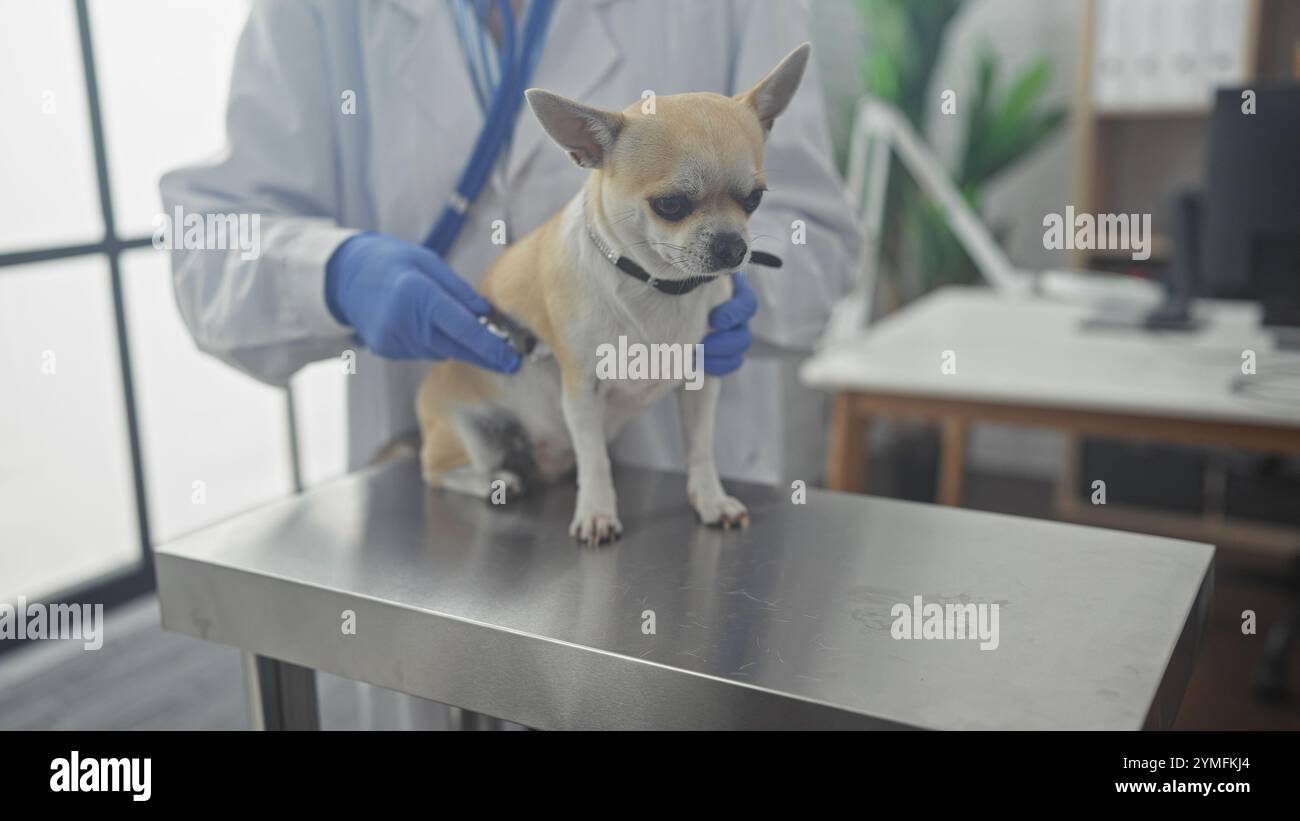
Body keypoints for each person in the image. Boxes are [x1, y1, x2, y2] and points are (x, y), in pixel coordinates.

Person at [161, 0, 861, 729]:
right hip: (450, 518)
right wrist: (329, 272)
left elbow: (825, 235)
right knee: (445, 685)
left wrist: (740, 282)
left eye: (741, 202)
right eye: (675, 204)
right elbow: (208, 238)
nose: (721, 217)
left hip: (667, 530)